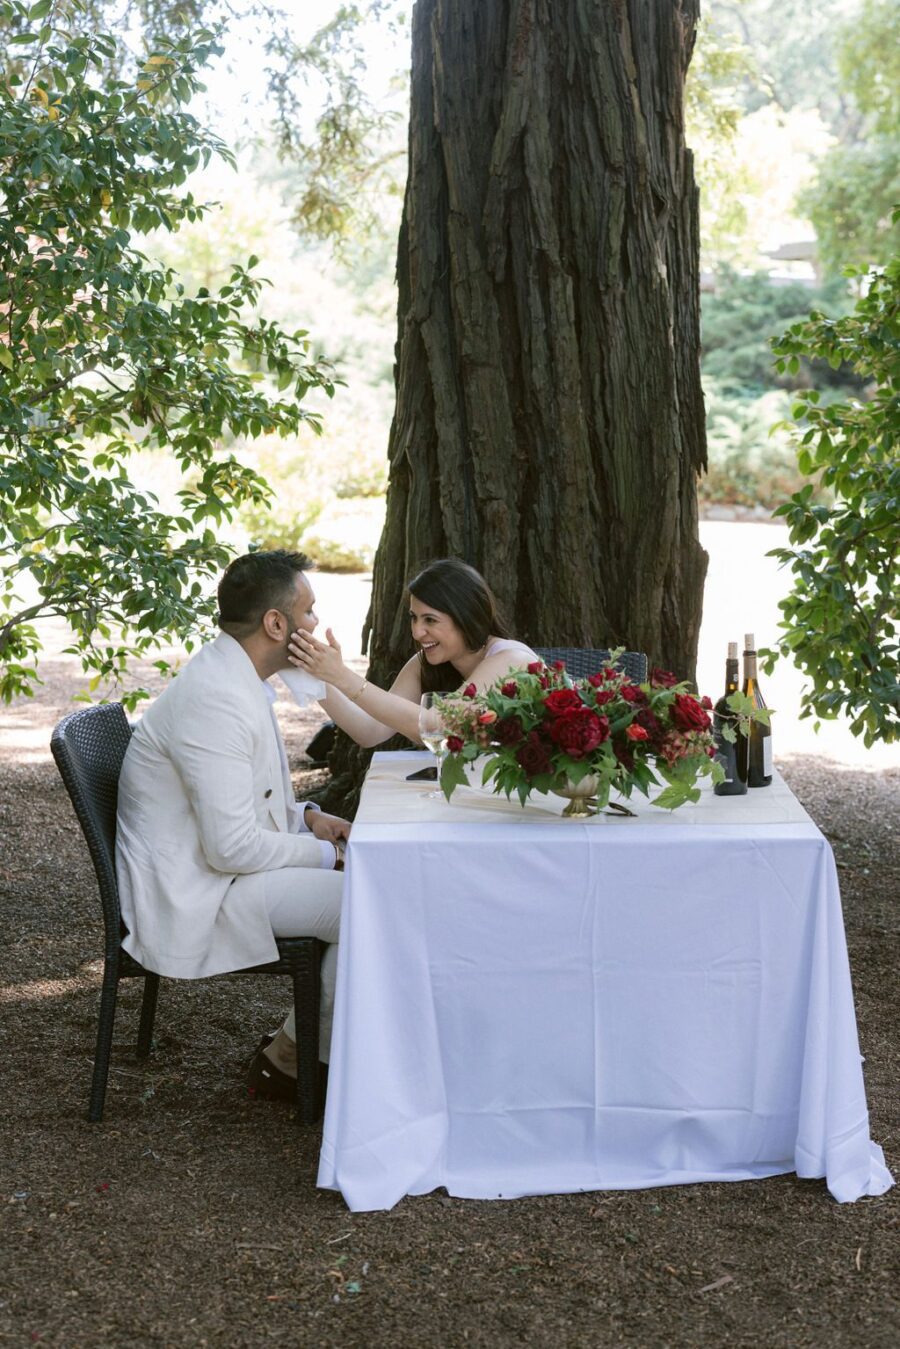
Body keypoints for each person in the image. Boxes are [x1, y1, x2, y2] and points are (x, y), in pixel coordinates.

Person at [115, 551, 350, 1102]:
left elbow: (247, 801)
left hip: (217, 871)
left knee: (371, 891)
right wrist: (326, 858)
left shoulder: (233, 673)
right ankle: (295, 1061)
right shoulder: (215, 697)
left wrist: (308, 820)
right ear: (276, 624)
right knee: (366, 903)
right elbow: (232, 846)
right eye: (309, 613)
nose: (315, 626)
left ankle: (306, 1052)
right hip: (196, 891)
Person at [288, 557, 538, 746]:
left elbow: (441, 724)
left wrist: (343, 675)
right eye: (414, 618)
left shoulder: (510, 661)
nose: (417, 632)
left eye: (430, 620)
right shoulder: (425, 664)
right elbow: (370, 731)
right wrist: (317, 672)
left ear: (466, 617)